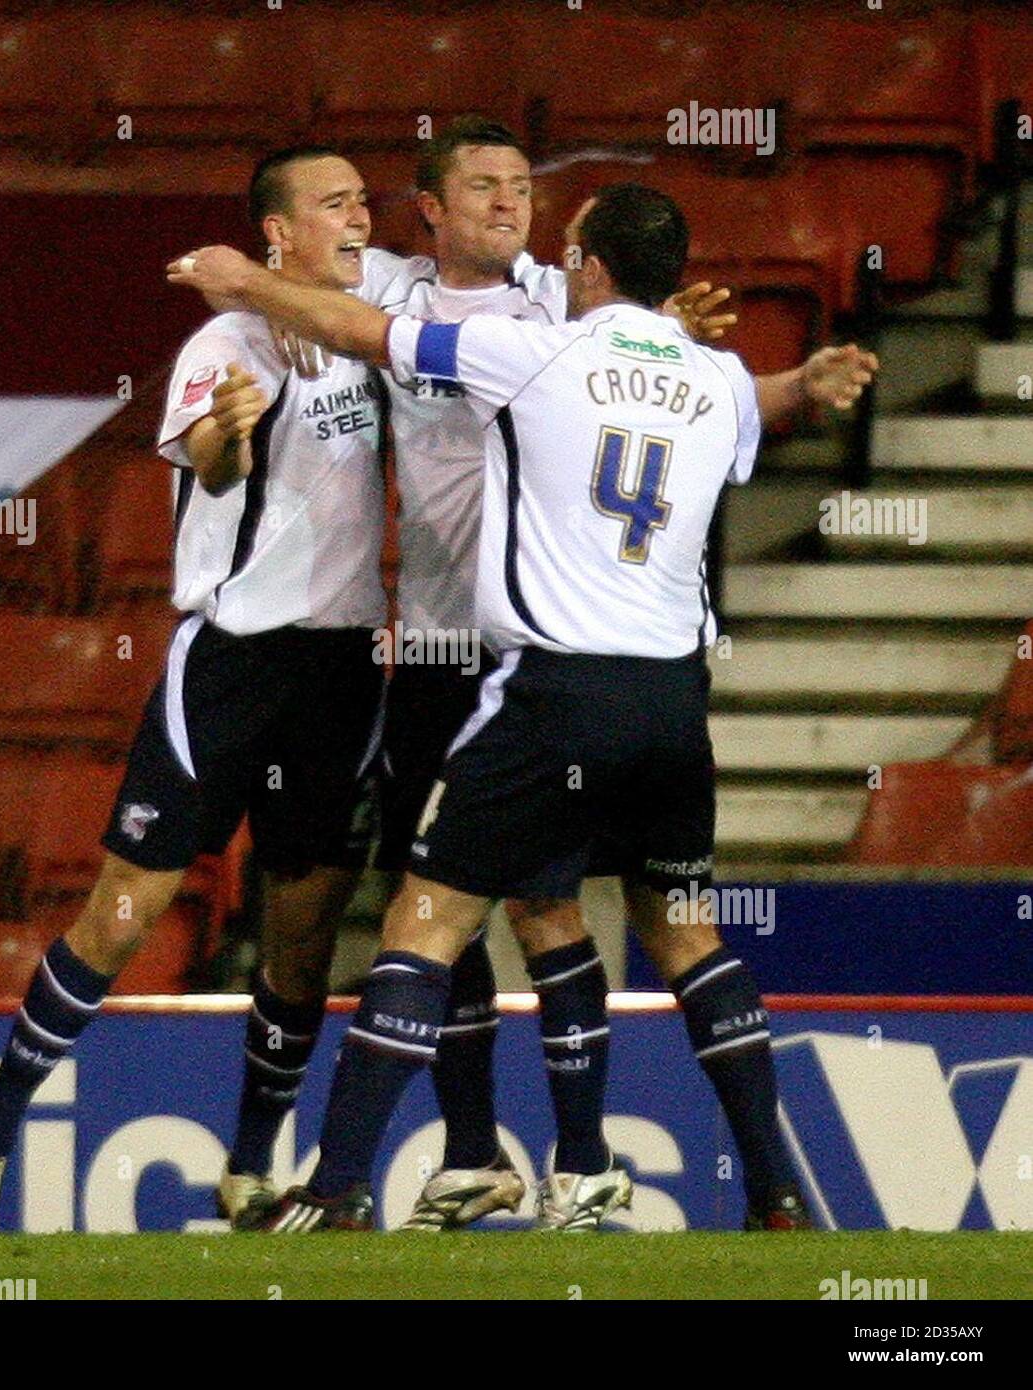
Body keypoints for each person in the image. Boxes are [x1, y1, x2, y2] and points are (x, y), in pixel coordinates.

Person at [172, 119, 877, 1231]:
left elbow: (360, 330)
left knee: (436, 913)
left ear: (584, 264)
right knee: (675, 923)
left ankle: (348, 1184)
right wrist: (805, 376)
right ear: (433, 209)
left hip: (536, 677)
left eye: (534, 198)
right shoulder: (706, 374)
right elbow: (760, 402)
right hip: (664, 691)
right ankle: (772, 1188)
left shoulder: (540, 334)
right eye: (485, 186)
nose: (516, 208)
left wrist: (242, 281)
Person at [0, 146, 391, 1234]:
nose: (360, 217)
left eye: (365, 200)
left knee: (305, 935)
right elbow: (206, 458)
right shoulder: (225, 341)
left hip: (340, 672)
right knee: (122, 913)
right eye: (336, 205)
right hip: (231, 664)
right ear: (278, 234)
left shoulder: (374, 327)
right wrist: (229, 434)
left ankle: (249, 1167)